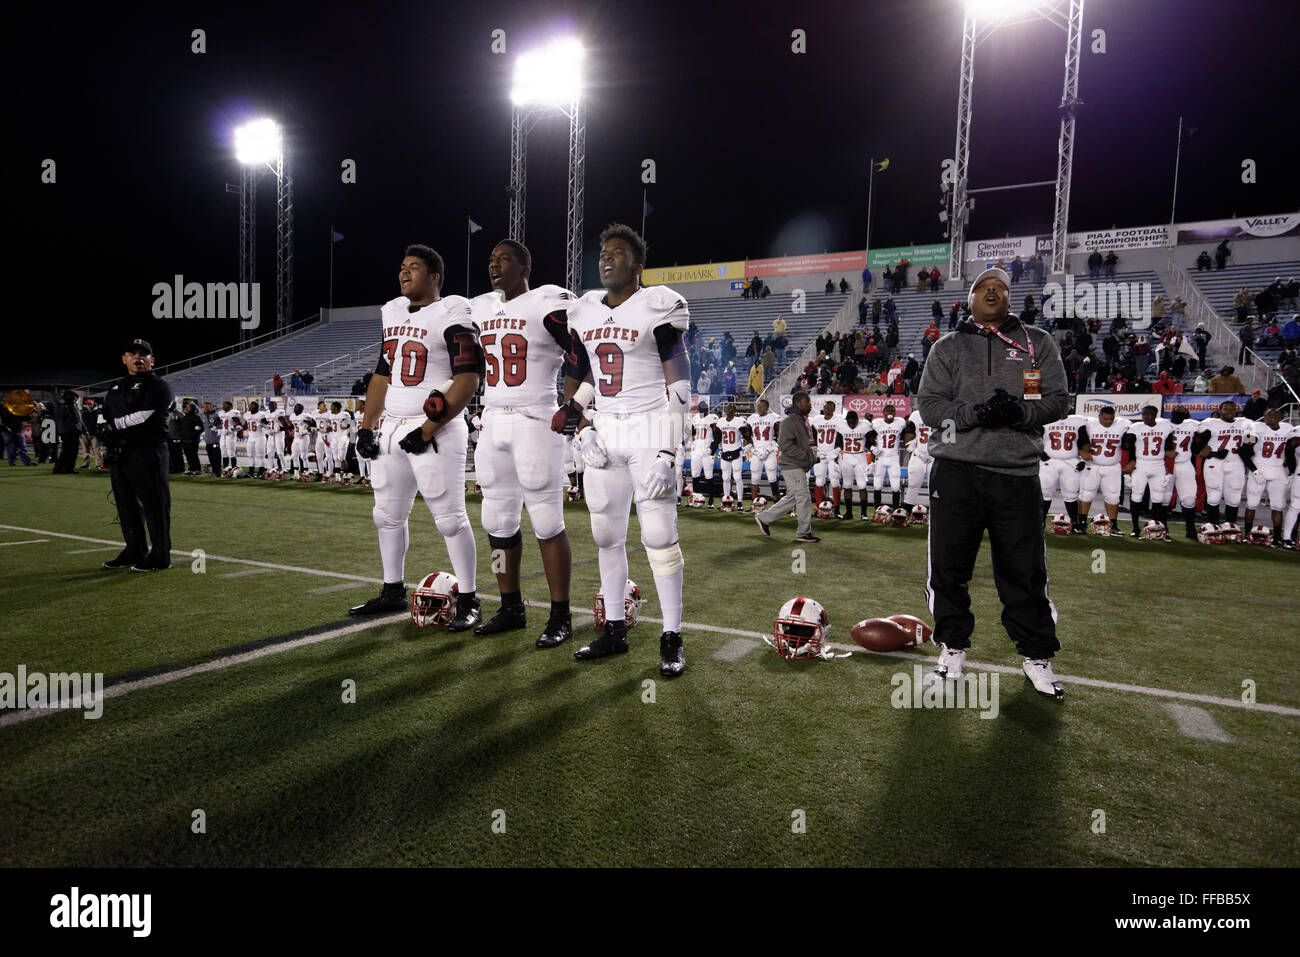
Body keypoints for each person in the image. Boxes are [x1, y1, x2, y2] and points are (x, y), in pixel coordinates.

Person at [917, 266, 1071, 699]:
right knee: (948, 567)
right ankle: (952, 649)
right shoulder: (947, 347)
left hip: (1016, 472)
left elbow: (1059, 401)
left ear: (1009, 298)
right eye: (983, 287)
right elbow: (929, 406)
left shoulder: (1037, 343)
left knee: (1024, 571)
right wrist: (975, 415)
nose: (991, 291)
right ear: (969, 299)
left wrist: (1019, 413)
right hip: (956, 470)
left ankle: (1037, 656)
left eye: (1000, 288)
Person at [555, 223, 690, 676]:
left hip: (651, 425)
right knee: (605, 535)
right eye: (603, 253)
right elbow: (590, 376)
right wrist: (582, 422)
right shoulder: (586, 310)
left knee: (658, 537)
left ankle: (671, 635)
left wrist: (670, 451)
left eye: (617, 253)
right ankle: (614, 630)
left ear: (637, 265)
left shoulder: (658, 306)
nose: (606, 259)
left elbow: (680, 385)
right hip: (607, 429)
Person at [349, 244, 484, 631]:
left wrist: (427, 430)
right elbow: (381, 373)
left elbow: (468, 377)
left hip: (435, 429)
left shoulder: (453, 310)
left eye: (414, 268)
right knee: (386, 516)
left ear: (435, 277)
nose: (404, 273)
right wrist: (366, 425)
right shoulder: (391, 311)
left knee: (449, 519)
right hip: (391, 425)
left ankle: (470, 598)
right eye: (402, 267)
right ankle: (392, 590)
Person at [468, 239, 577, 646]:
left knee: (547, 521)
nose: (494, 265)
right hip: (494, 418)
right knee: (496, 521)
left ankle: (560, 614)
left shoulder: (546, 301)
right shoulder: (479, 307)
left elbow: (579, 351)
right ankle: (510, 605)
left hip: (535, 418)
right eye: (491, 260)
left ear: (525, 266)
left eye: (504, 259)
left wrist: (573, 405)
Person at [98, 339, 174, 571]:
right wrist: (106, 429)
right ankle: (135, 550)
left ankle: (161, 555)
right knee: (126, 505)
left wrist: (113, 427)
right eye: (133, 353)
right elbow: (103, 416)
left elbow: (148, 417)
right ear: (124, 358)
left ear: (152, 360)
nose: (138, 357)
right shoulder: (115, 388)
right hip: (121, 454)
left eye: (144, 354)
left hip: (148, 452)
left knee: (155, 505)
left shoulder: (159, 386)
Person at [755, 391, 818, 543]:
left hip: (796, 464)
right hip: (792, 464)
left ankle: (764, 518)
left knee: (793, 497)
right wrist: (805, 457)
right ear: (798, 403)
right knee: (803, 496)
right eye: (807, 402)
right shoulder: (790, 421)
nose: (810, 405)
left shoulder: (802, 419)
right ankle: (804, 532)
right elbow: (784, 444)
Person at [1196, 400, 1252, 528]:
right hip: (1215, 462)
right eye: (1226, 409)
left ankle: (1230, 526)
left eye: (1232, 409)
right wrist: (1212, 452)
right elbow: (1199, 445)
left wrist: (1249, 445)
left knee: (1234, 497)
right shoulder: (1211, 424)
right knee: (1214, 496)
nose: (1229, 411)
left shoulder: (1245, 424)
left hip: (1236, 462)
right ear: (1220, 410)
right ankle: (1213, 525)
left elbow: (1251, 442)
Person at [1125, 406, 1175, 537]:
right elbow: (1130, 448)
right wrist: (1131, 462)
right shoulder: (1135, 428)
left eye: (1150, 414)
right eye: (1144, 414)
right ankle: (1135, 528)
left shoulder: (1164, 427)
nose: (1147, 417)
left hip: (1158, 464)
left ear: (1155, 415)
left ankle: (1157, 526)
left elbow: (1169, 446)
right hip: (1141, 464)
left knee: (1158, 497)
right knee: (1136, 495)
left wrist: (1171, 452)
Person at [1242, 407, 1289, 544]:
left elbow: (1291, 450)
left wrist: (1290, 468)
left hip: (1278, 468)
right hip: (1259, 467)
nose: (1271, 417)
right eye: (1268, 415)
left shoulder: (1287, 428)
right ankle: (1247, 534)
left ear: (1281, 417)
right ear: (1264, 417)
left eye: (1275, 415)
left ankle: (1278, 538)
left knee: (1278, 505)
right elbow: (1244, 451)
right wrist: (1254, 470)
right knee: (1252, 503)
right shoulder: (1255, 427)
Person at [746, 398, 782, 500]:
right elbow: (747, 434)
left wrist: (773, 447)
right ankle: (754, 502)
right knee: (755, 477)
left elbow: (779, 435)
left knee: (772, 476)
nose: (760, 408)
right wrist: (749, 446)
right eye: (758, 406)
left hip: (769, 450)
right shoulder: (752, 418)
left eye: (762, 406)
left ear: (767, 408)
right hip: (757, 451)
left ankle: (776, 502)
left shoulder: (773, 418)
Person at [53, 391, 83, 474]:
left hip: (74, 431)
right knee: (66, 451)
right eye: (74, 398)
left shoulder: (73, 406)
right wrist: (62, 432)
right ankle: (58, 469)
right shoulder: (63, 406)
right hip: (67, 431)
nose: (76, 400)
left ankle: (69, 468)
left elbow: (78, 420)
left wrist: (82, 429)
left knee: (73, 451)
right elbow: (61, 419)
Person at [179, 401, 204, 475]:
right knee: (188, 456)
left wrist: (194, 434)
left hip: (193, 440)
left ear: (192, 408)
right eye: (186, 407)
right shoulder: (184, 417)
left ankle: (197, 470)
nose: (186, 408)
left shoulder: (196, 417)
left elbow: (201, 428)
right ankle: (191, 469)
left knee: (193, 455)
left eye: (188, 407)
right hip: (184, 440)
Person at [200, 401, 221, 475]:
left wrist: (216, 427)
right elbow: (202, 427)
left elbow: (221, 425)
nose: (205, 408)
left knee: (216, 458)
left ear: (211, 407)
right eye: (204, 406)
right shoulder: (202, 416)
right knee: (211, 457)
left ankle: (217, 472)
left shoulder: (216, 415)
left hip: (215, 440)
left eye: (207, 406)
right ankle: (213, 471)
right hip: (207, 440)